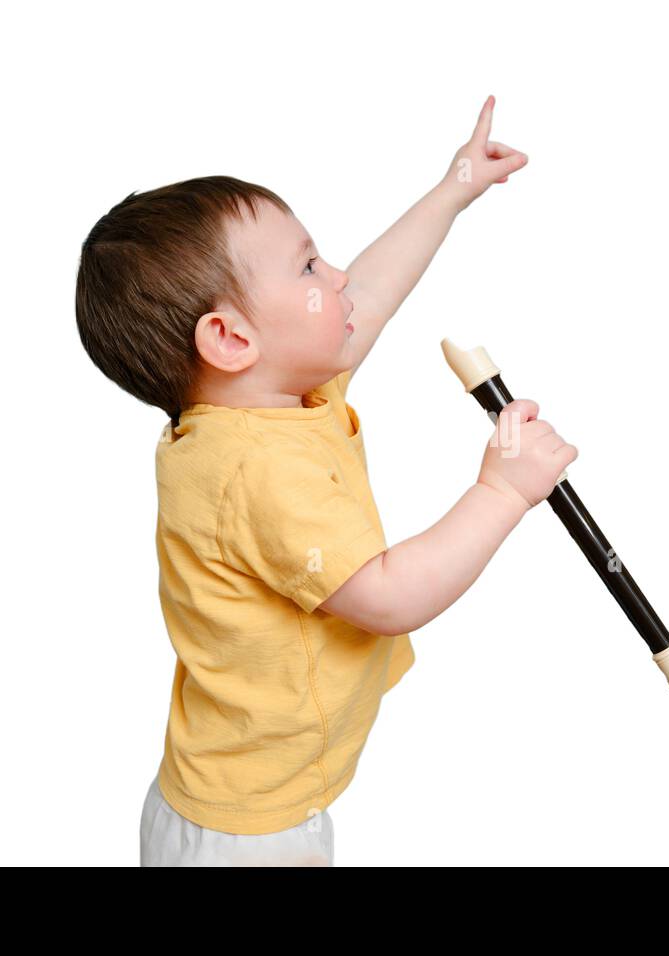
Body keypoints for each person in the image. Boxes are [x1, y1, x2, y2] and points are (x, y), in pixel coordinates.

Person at [75, 96, 576, 866]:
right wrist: (502, 492)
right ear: (233, 338)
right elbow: (387, 595)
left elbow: (367, 294)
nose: (336, 273)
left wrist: (453, 189)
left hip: (261, 802)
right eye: (308, 265)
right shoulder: (254, 471)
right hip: (244, 837)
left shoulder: (277, 398)